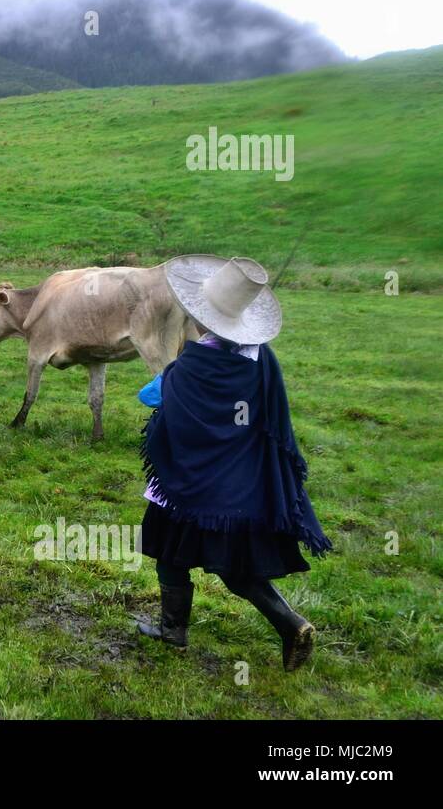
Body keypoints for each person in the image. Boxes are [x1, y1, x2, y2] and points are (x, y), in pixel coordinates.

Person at [136, 255, 332, 671]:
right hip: (243, 482)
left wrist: (169, 378)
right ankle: (287, 623)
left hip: (191, 483)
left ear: (201, 315)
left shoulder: (195, 363)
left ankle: (182, 629)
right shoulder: (263, 359)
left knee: (173, 549)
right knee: (231, 562)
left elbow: (155, 400)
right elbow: (269, 421)